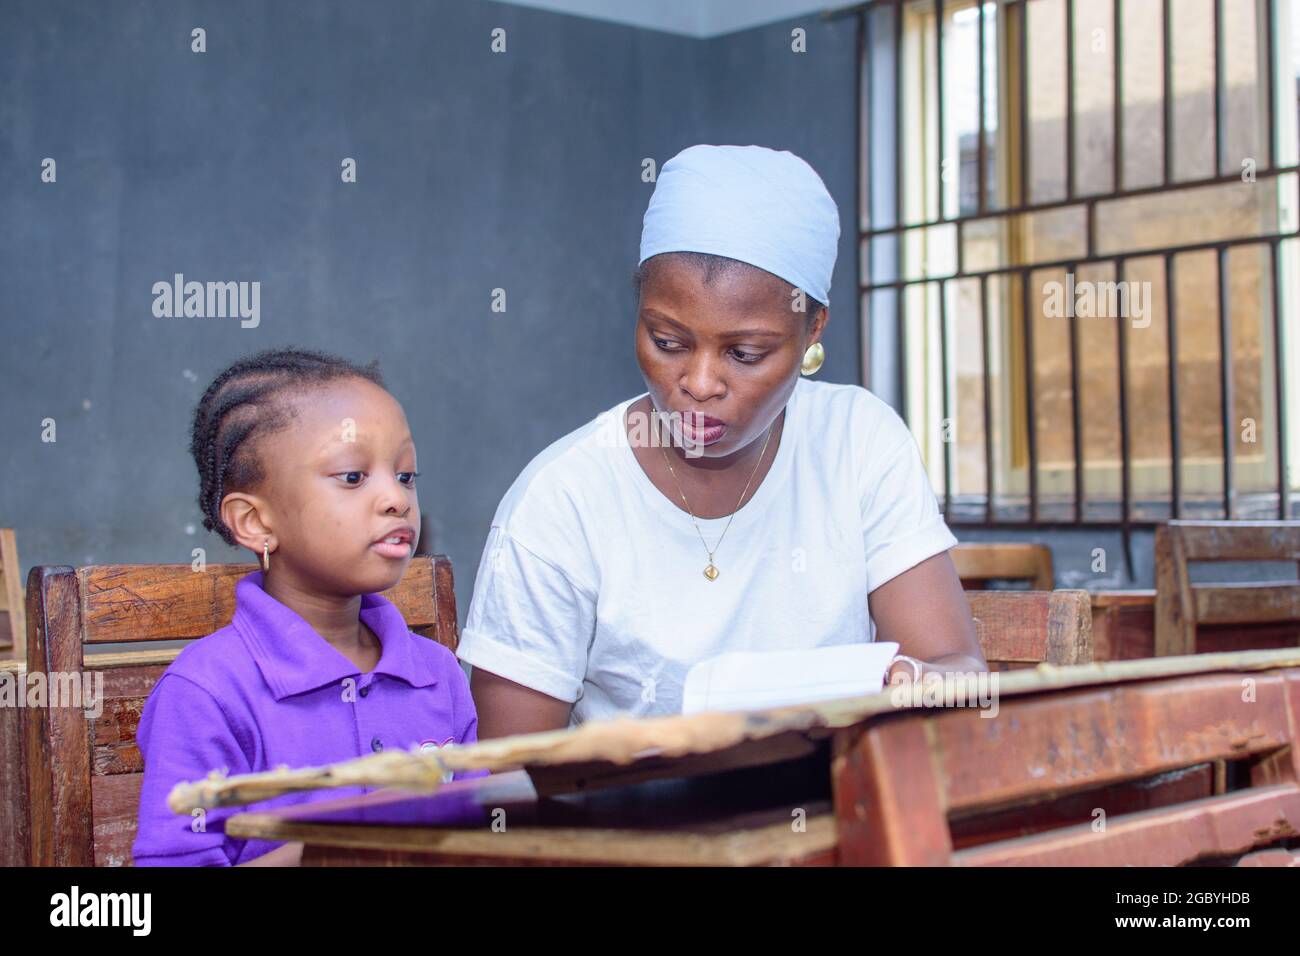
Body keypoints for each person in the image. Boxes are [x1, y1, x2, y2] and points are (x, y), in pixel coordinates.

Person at [457, 144, 985, 737]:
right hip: (629, 825)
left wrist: (917, 683)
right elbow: (510, 776)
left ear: (813, 328)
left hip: (839, 812)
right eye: (668, 341)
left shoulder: (858, 442)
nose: (700, 384)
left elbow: (957, 667)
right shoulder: (563, 500)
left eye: (745, 353)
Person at [132, 348, 483, 866]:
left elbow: (478, 836)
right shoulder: (207, 692)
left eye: (406, 475)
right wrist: (329, 852)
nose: (396, 499)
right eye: (351, 477)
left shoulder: (436, 673)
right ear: (255, 522)